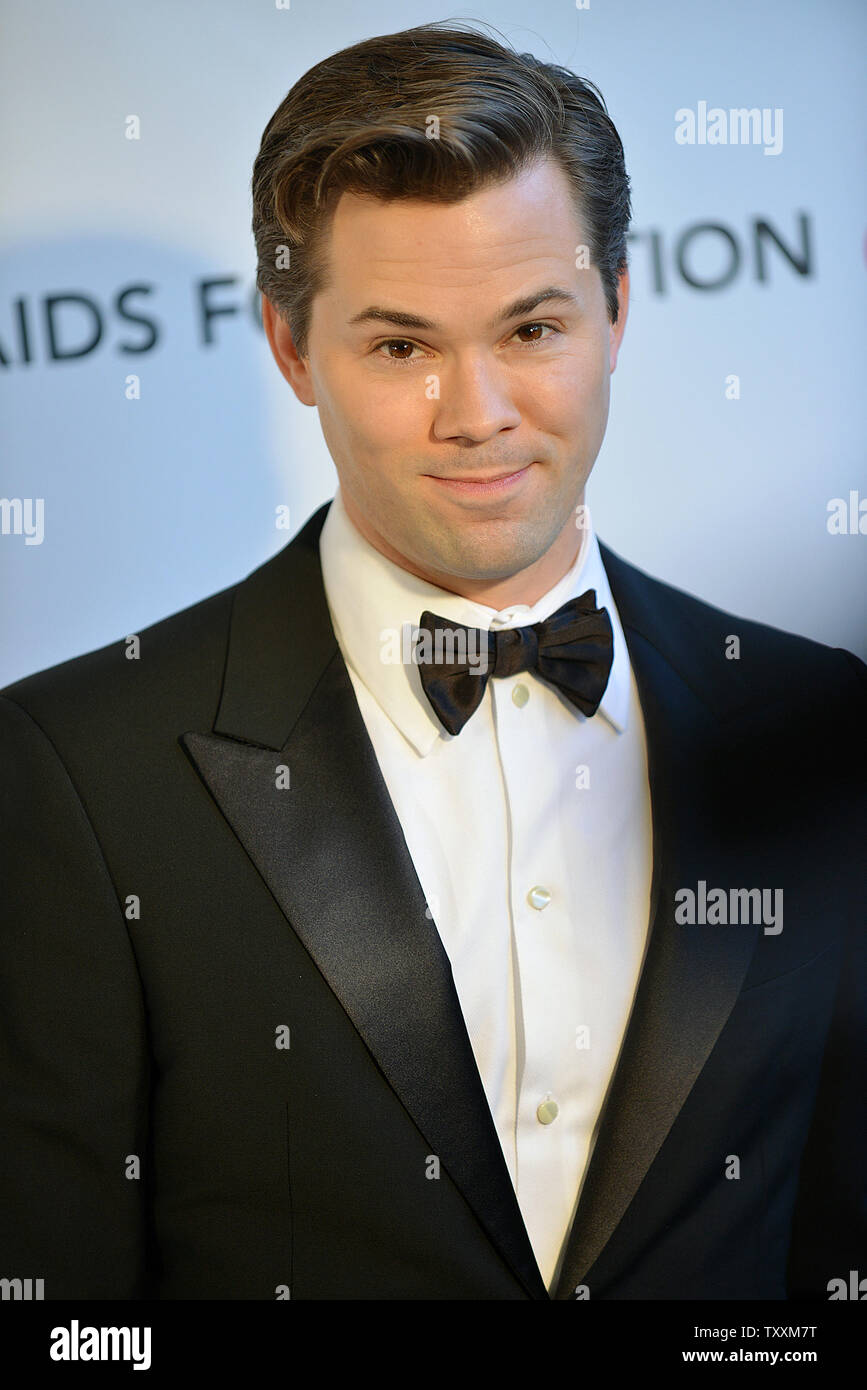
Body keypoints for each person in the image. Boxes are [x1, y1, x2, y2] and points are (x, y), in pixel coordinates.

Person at [1, 21, 864, 1302]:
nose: (478, 415)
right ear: (294, 350)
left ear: (617, 312)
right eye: (401, 346)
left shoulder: (821, 725)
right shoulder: (76, 770)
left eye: (532, 329)